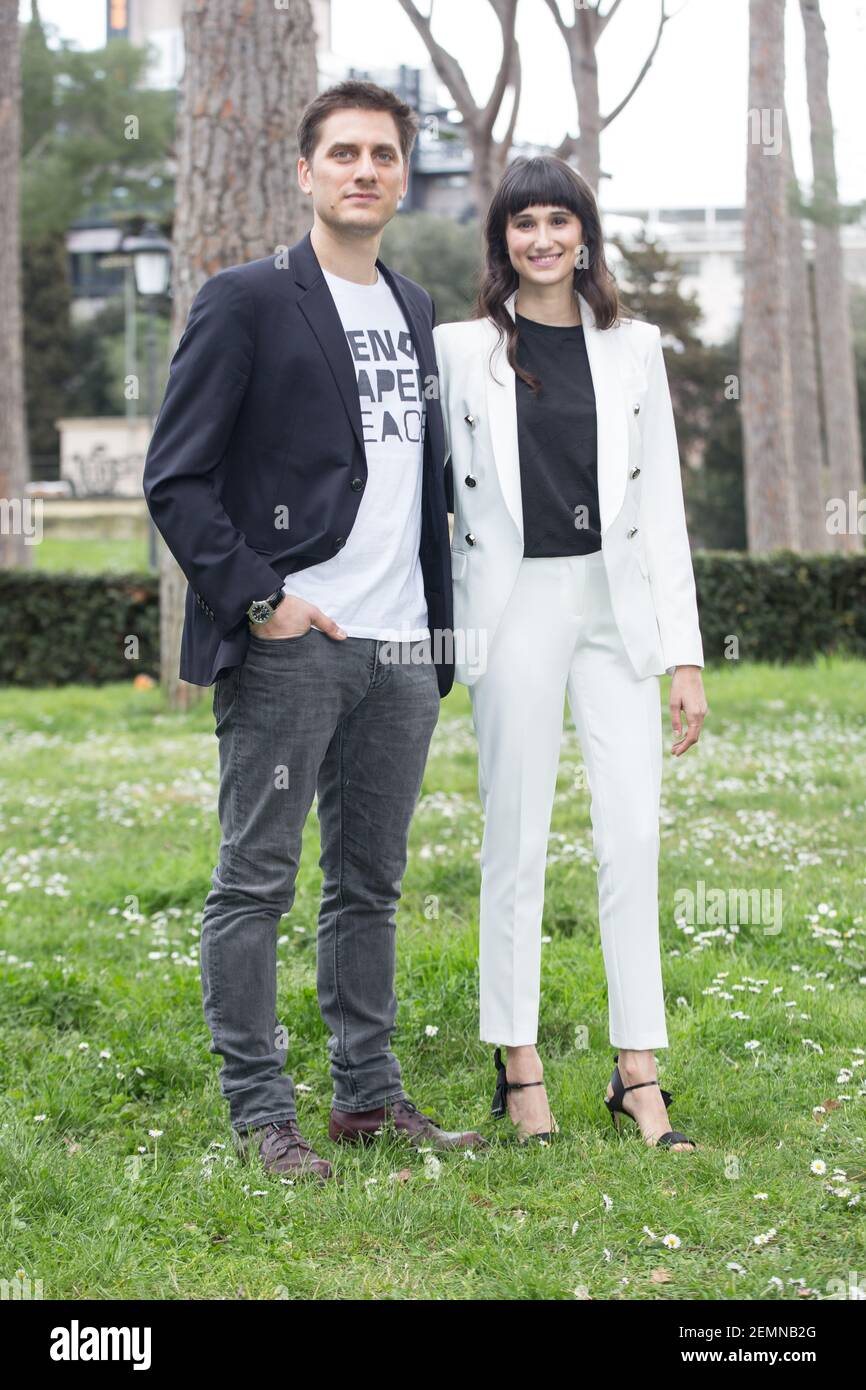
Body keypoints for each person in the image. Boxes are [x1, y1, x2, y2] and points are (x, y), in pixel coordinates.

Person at [143, 80, 485, 1181]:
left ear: (399, 174)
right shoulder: (246, 300)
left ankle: (366, 1099)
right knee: (255, 881)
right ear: (304, 173)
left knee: (368, 886)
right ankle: (259, 1116)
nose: (364, 170)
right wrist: (262, 599)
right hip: (297, 641)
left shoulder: (417, 308)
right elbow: (176, 478)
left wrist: (438, 630)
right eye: (342, 153)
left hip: (398, 650)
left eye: (383, 154)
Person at [433, 154, 707, 1151]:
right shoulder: (460, 349)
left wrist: (683, 654)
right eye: (521, 223)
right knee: (516, 835)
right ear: (500, 239)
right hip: (513, 609)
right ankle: (517, 1064)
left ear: (581, 234)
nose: (541, 239)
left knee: (629, 834)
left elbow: (664, 511)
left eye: (557, 220)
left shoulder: (634, 348)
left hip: (613, 606)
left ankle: (638, 1070)